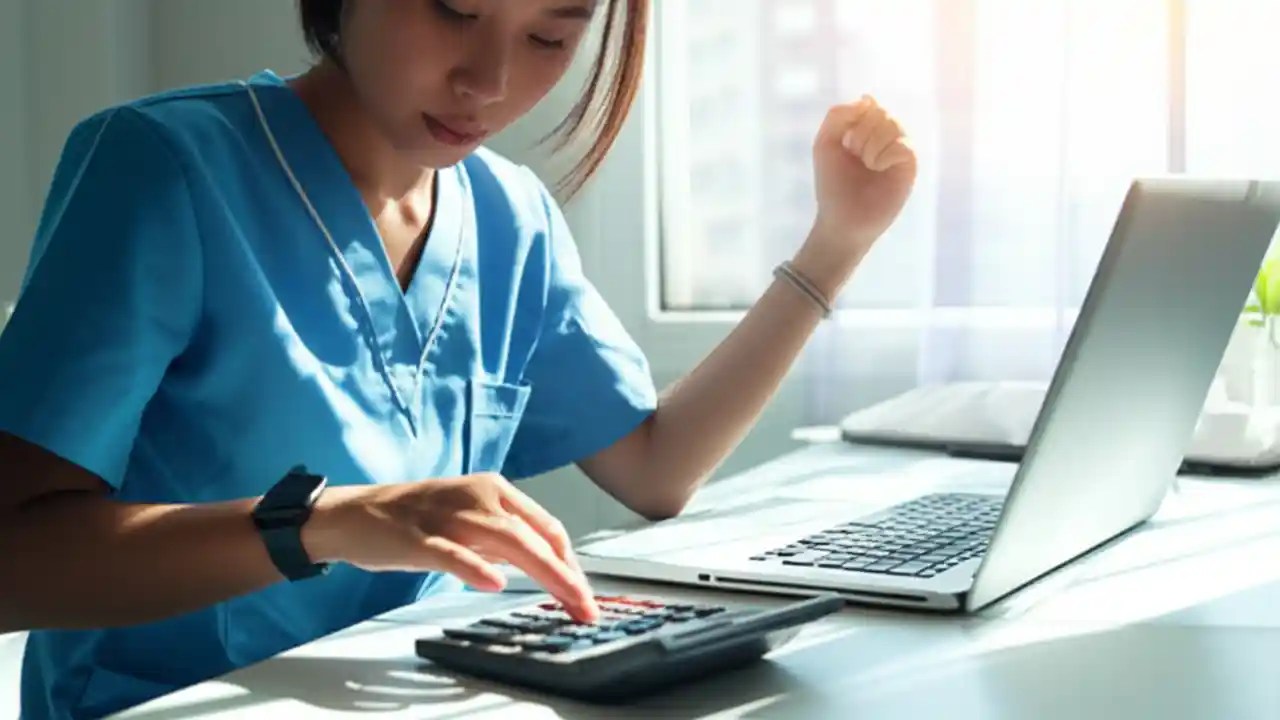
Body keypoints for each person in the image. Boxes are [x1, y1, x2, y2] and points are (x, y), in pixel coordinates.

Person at [0, 0, 917, 717]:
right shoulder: (161, 168)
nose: (491, 80)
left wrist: (835, 244)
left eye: (552, 37)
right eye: (453, 11)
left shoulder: (510, 218)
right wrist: (320, 522)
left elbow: (654, 467)